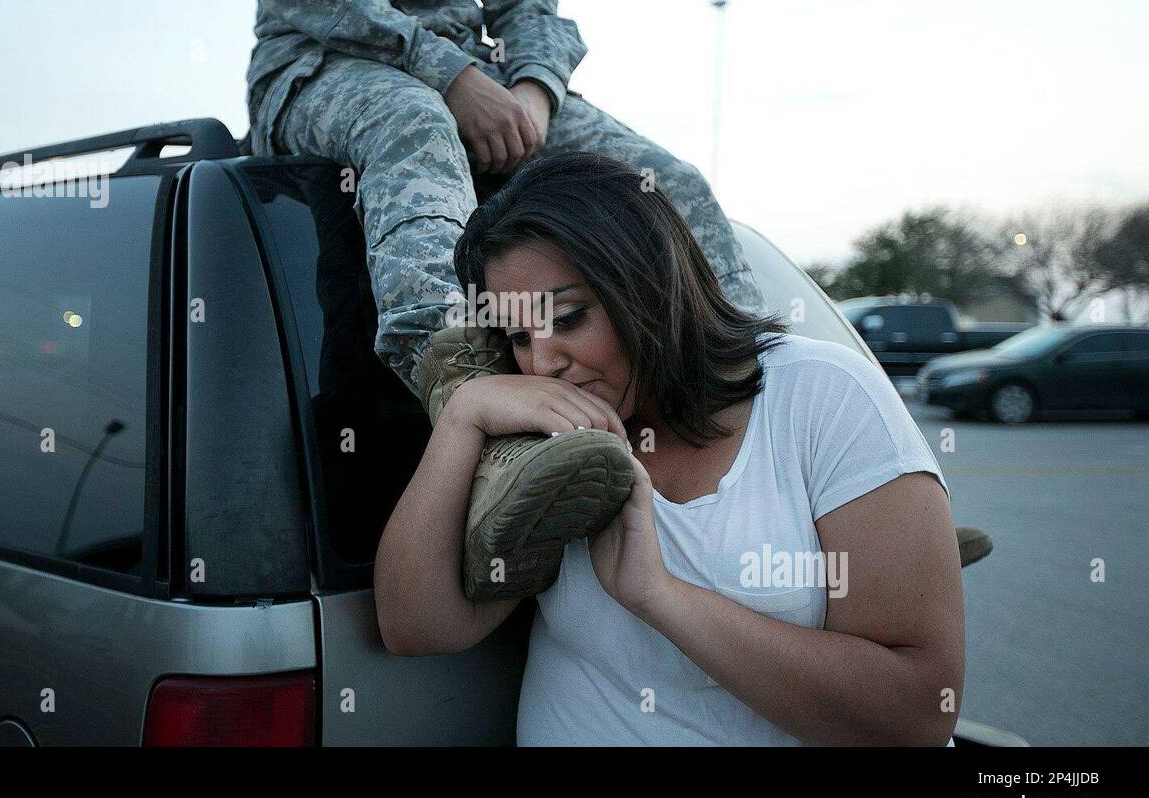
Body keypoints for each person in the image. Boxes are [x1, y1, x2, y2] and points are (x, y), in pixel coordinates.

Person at [227, 0, 768, 598]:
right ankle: (495, 449)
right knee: (414, 126)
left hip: (488, 77)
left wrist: (534, 96)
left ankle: (794, 480)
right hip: (320, 65)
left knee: (666, 180)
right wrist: (449, 75)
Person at [374, 151, 966, 745]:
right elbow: (416, 627)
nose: (544, 361)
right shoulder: (544, 438)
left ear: (648, 282)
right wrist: (463, 416)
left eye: (570, 317)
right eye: (519, 336)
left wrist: (658, 596)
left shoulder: (822, 397)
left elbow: (918, 712)